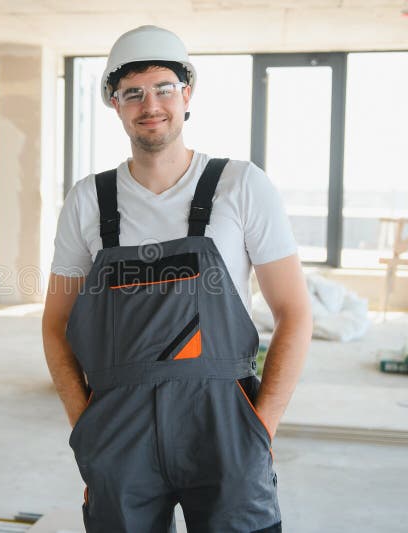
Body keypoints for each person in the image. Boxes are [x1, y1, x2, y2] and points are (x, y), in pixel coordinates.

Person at [41, 25, 312, 533]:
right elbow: (55, 324)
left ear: (187, 94)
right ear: (115, 104)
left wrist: (261, 430)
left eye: (164, 88)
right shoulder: (88, 201)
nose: (151, 105)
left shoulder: (241, 186)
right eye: (133, 93)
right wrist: (86, 428)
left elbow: (294, 313)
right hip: (119, 430)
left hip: (223, 425)